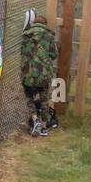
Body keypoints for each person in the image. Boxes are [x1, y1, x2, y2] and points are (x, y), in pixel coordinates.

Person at [21, 9, 59, 137]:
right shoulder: (49, 36)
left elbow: (23, 53)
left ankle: (34, 119)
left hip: (28, 74)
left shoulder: (26, 35)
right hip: (43, 75)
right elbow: (54, 55)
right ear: (45, 24)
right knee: (44, 100)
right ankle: (43, 127)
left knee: (29, 97)